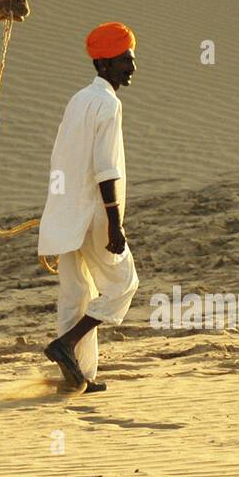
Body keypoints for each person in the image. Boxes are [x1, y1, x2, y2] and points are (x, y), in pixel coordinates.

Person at [39, 22, 141, 393]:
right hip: (96, 214)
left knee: (75, 293)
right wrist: (115, 224)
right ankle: (65, 345)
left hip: (67, 214)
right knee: (123, 284)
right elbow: (105, 167)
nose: (132, 67)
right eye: (125, 60)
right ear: (104, 64)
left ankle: (80, 376)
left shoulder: (79, 99)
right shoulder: (108, 104)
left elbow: (61, 157)